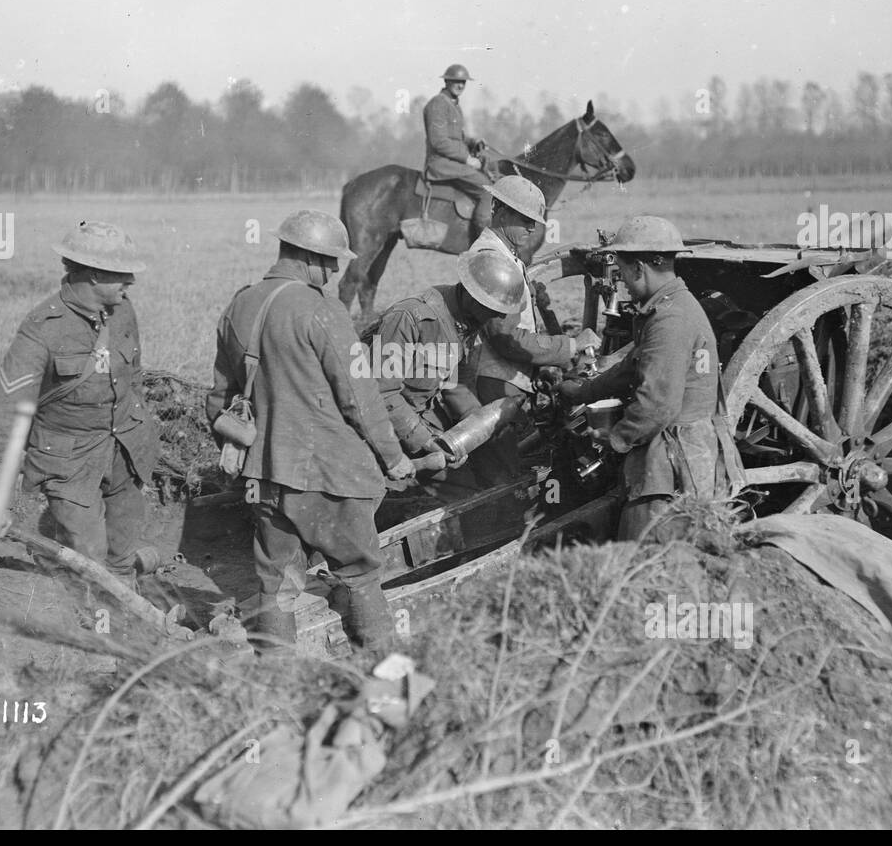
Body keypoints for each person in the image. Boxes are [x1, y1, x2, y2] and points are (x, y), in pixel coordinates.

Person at [207, 209, 415, 654]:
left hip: (264, 476)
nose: (336, 271)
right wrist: (394, 457)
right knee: (360, 572)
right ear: (309, 258)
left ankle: (278, 677)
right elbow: (359, 395)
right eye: (331, 261)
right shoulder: (322, 311)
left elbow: (218, 400)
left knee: (277, 582)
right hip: (327, 476)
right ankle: (382, 668)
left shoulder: (239, 305)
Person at [0, 221, 159, 578]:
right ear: (92, 273)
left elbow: (132, 377)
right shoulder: (43, 329)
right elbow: (4, 414)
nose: (131, 282)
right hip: (69, 462)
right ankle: (92, 625)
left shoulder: (123, 311)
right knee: (89, 559)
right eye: (122, 274)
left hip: (124, 452)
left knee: (121, 553)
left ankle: (125, 624)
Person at [556, 216, 741, 540]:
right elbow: (631, 367)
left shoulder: (670, 319)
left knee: (648, 551)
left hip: (673, 463)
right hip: (674, 449)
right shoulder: (668, 307)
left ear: (640, 268)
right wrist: (582, 392)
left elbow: (657, 405)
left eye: (624, 273)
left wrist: (615, 439)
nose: (623, 282)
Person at [466, 176, 599, 479]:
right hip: (493, 383)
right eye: (524, 219)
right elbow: (507, 339)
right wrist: (570, 345)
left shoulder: (506, 255)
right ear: (498, 210)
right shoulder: (491, 259)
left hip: (506, 379)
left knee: (505, 468)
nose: (532, 228)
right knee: (500, 476)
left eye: (534, 222)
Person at [368, 248, 526, 494]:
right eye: (494, 307)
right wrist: (426, 440)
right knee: (459, 491)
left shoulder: (466, 320)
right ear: (473, 297)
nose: (501, 315)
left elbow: (454, 381)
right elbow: (382, 394)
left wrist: (474, 423)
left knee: (473, 478)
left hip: (416, 416)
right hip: (380, 424)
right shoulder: (411, 318)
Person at [422, 63, 494, 232]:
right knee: (487, 190)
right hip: (441, 163)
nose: (460, 85)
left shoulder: (453, 104)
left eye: (463, 82)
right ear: (446, 81)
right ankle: (482, 240)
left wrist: (472, 142)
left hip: (452, 162)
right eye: (456, 81)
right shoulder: (438, 104)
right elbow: (439, 141)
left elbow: (456, 137)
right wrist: (468, 159)